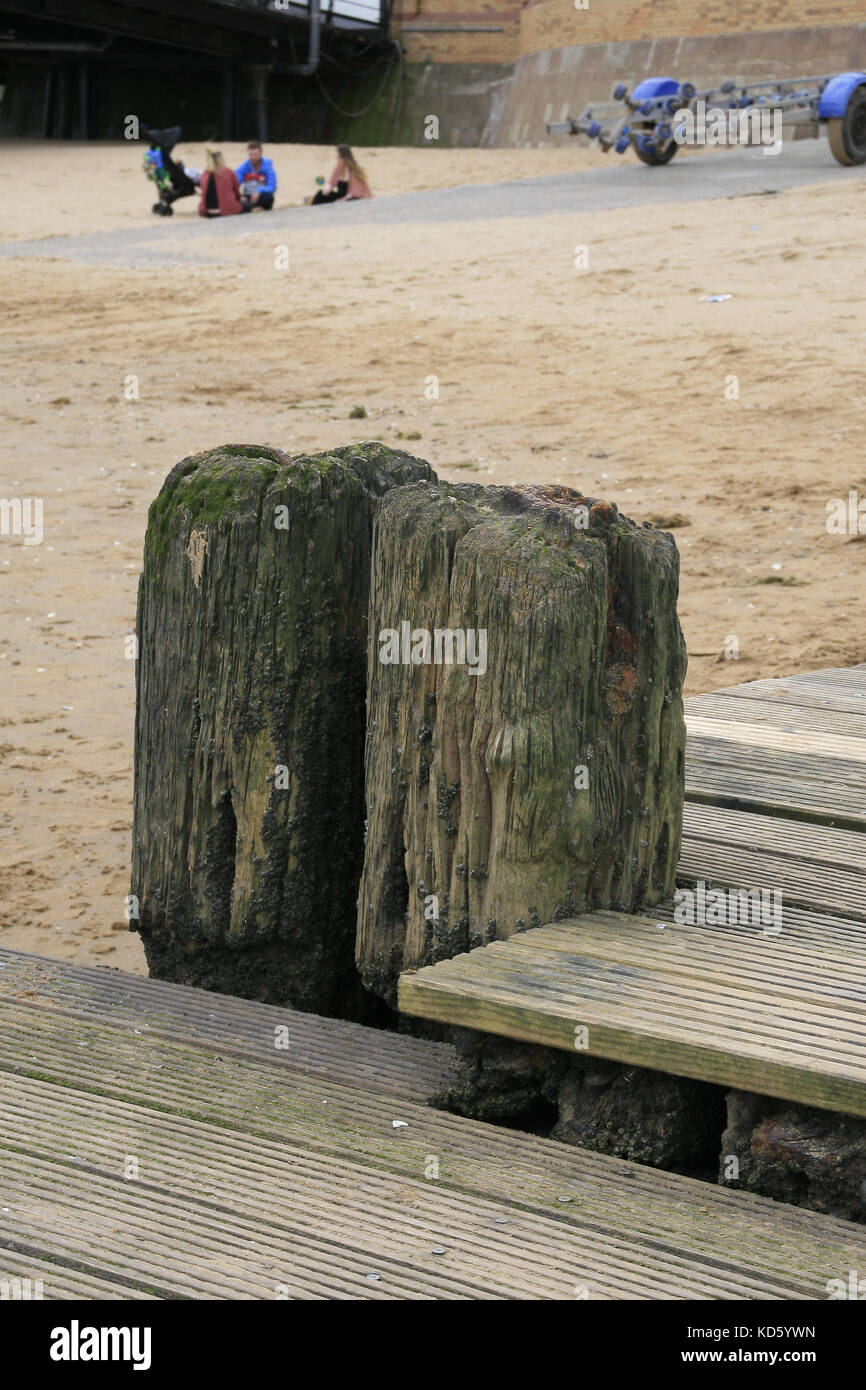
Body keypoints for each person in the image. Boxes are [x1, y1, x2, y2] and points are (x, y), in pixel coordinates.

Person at [198, 145, 241, 218]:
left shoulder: (204, 175)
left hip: (206, 211)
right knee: (247, 204)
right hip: (224, 211)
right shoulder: (228, 172)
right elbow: (236, 193)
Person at [235, 140, 277, 212]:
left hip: (261, 195)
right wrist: (239, 196)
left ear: (261, 153)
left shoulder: (268, 167)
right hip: (247, 196)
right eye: (251, 155)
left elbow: (272, 186)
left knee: (269, 197)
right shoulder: (243, 167)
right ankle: (251, 208)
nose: (253, 157)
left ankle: (249, 208)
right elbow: (235, 184)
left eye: (256, 154)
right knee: (236, 199)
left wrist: (259, 191)